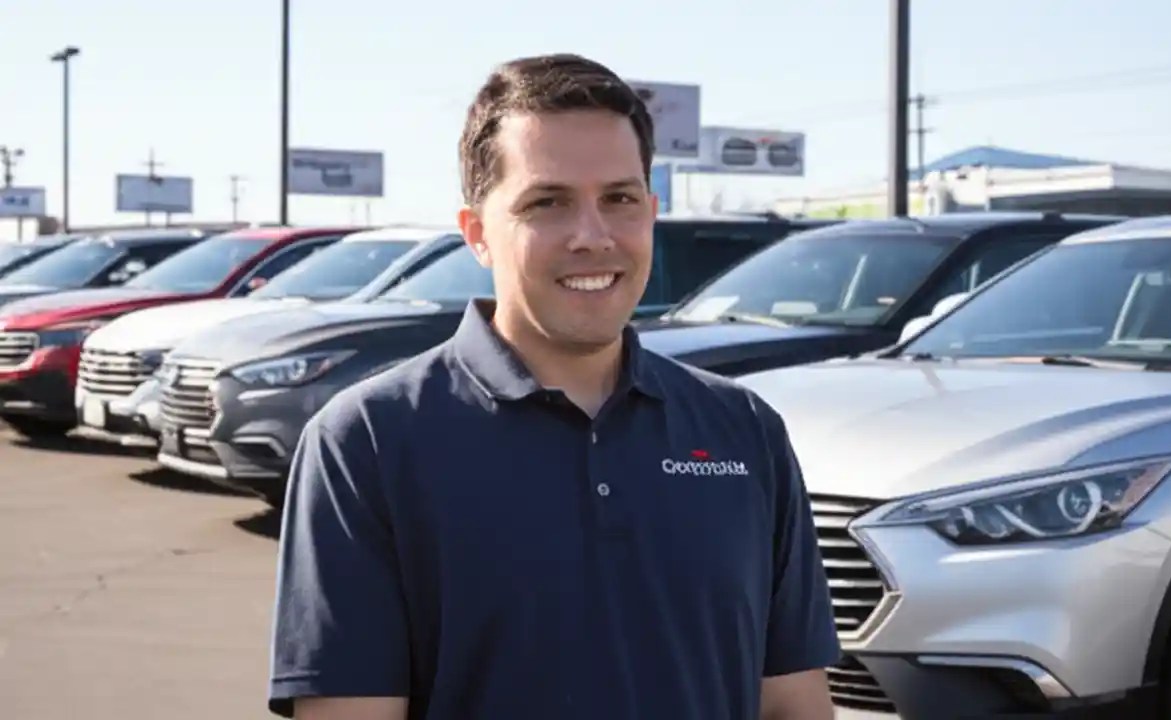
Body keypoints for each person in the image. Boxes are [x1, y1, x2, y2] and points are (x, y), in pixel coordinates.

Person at [268, 52, 841, 720]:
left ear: (652, 212)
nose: (593, 237)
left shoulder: (743, 431)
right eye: (548, 202)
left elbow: (792, 703)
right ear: (478, 234)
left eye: (620, 200)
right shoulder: (366, 442)